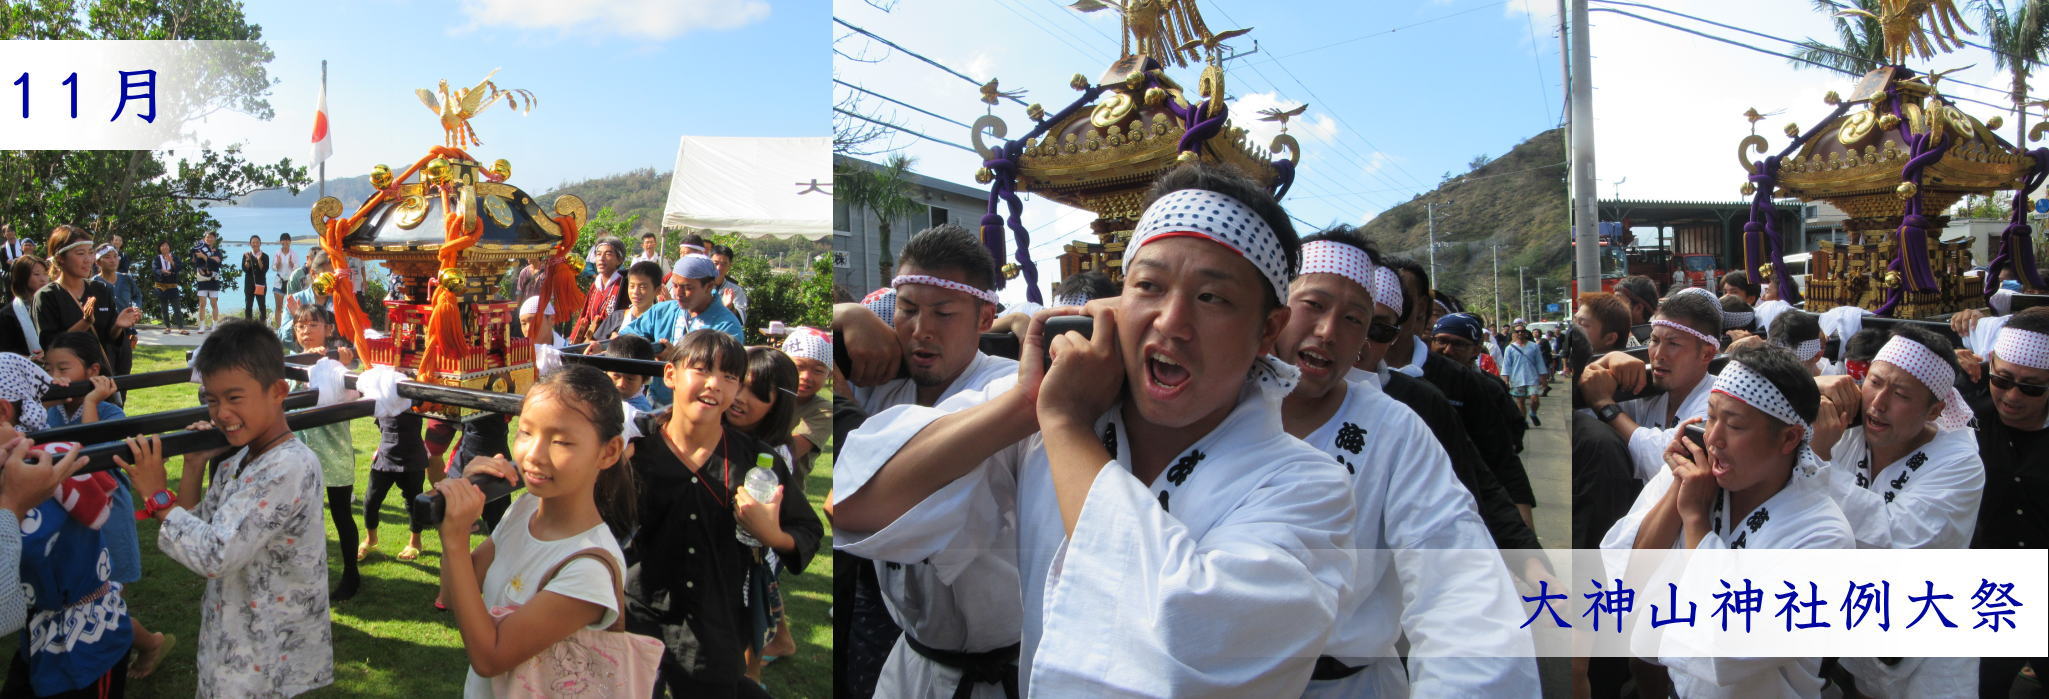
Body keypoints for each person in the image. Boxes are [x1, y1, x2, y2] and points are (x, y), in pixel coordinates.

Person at [834, 163, 1357, 695]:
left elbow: (1189, 636)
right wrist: (1027, 404)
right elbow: (858, 502)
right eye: (1149, 286)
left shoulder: (1307, 487)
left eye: (1211, 298)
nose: (1170, 321)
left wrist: (1064, 427)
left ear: (1268, 329)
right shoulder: (1049, 416)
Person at [1274, 230, 1536, 695]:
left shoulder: (1398, 427)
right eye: (1313, 304)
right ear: (1276, 307)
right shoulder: (1208, 408)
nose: (1328, 331)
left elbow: (1458, 585)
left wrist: (1523, 549)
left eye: (1358, 320)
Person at [827, 223, 1022, 698]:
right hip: (911, 661)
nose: (921, 330)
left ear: (984, 318)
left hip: (1004, 672)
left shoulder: (1007, 392)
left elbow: (859, 492)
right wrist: (848, 313)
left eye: (944, 313)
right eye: (908, 310)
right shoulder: (885, 385)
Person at [1600, 344, 1855, 697]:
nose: (1714, 438)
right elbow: (1629, 577)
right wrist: (1678, 489)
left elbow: (1730, 646)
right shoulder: (1698, 479)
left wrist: (1695, 522)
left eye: (1734, 424)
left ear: (1788, 438)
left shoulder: (1823, 535)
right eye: (1710, 416)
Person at [116, 319, 334, 696]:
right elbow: (194, 530)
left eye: (235, 398)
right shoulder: (239, 462)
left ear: (278, 391)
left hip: (267, 654)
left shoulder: (289, 467)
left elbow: (214, 555)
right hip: (233, 635)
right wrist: (194, 464)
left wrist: (157, 498)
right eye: (211, 400)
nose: (221, 413)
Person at [429, 364, 639, 698]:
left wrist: (455, 541)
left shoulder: (588, 569)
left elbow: (490, 657)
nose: (534, 455)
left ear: (609, 451)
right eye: (526, 432)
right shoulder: (524, 509)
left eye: (561, 441)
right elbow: (452, 596)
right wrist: (460, 518)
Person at [625, 331, 808, 696]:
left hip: (714, 628)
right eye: (702, 370)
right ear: (671, 375)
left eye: (729, 377)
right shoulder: (633, 447)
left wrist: (772, 535)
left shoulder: (756, 460)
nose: (715, 385)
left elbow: (806, 529)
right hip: (636, 617)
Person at [1810, 327, 1986, 697]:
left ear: (1935, 409)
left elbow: (1897, 538)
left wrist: (1820, 464)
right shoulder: (1850, 430)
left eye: (1901, 394)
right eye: (1874, 382)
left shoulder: (1959, 463)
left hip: (1924, 653)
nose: (1878, 402)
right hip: (1846, 632)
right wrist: (1809, 393)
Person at [0, 357, 135, 697]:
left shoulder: (46, 465)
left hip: (83, 647)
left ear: (3, 411)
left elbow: (99, 500)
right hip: (41, 635)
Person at [727, 345, 825, 688]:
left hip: (757, 553)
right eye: (736, 384)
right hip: (732, 552)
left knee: (752, 614)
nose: (739, 398)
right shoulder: (721, 431)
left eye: (756, 393)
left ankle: (752, 677)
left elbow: (802, 525)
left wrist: (769, 534)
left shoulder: (772, 454)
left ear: (778, 403)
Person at [1964, 307, 2049, 696]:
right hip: (1993, 595)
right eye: (2003, 380)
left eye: (2031, 387)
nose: (2012, 396)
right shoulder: (1965, 412)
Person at [1579, 289, 1723, 482]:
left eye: (1673, 343)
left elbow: (1662, 460)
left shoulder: (1718, 401)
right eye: (1654, 340)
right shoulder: (1651, 390)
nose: (1658, 354)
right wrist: (1605, 361)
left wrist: (1605, 406)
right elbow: (1588, 412)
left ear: (1706, 354)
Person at [284, 305, 365, 601]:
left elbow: (353, 393)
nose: (306, 330)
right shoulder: (289, 362)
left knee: (342, 513)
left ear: (328, 329)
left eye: (313, 324)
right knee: (303, 514)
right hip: (299, 450)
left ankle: (351, 574)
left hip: (334, 448)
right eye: (300, 325)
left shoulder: (336, 360)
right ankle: (305, 571)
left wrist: (342, 367)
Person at [35, 226, 139, 368]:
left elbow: (110, 338)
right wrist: (85, 322)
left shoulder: (101, 289)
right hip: (69, 380)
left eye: (90, 253)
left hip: (102, 375)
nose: (88, 259)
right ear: (60, 258)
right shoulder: (47, 296)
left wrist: (118, 326)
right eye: (80, 253)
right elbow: (51, 347)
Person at [361, 408, 428, 564]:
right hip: (386, 455)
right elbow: (382, 423)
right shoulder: (382, 395)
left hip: (413, 456)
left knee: (414, 502)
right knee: (370, 501)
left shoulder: (414, 396)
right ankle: (371, 539)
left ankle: (415, 542)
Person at [779, 327, 833, 488]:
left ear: (829, 374)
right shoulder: (765, 393)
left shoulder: (824, 411)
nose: (806, 377)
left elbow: (786, 453)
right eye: (799, 367)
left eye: (818, 370)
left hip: (787, 497)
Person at [92, 245, 141, 380]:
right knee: (108, 375)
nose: (112, 260)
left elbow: (137, 295)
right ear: (98, 262)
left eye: (115, 256)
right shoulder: (94, 284)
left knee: (124, 375)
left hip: (126, 334)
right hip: (104, 337)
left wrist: (137, 308)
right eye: (107, 257)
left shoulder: (126, 279)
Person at [569, 237, 627, 344]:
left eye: (608, 254)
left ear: (620, 260)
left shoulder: (624, 285)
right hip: (591, 342)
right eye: (598, 254)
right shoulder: (595, 286)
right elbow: (585, 316)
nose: (601, 258)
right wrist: (573, 342)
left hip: (610, 345)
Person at [599, 261, 662, 344]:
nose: (635, 292)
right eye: (632, 286)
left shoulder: (661, 322)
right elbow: (592, 346)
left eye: (642, 287)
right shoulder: (617, 317)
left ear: (657, 290)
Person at [1, 257, 48, 358]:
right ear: (22, 277)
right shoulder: (8, 315)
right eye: (36, 274)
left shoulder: (53, 306)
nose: (43, 279)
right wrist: (32, 359)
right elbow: (5, 352)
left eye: (45, 273)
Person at [1502, 327, 1546, 426]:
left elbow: (1540, 363)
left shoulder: (1534, 346)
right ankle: (1523, 421)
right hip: (1517, 379)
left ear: (1526, 333)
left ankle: (1533, 413)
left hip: (1532, 378)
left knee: (1535, 399)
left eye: (1522, 331)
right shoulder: (1510, 348)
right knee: (1520, 401)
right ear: (1514, 334)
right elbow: (1506, 365)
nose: (1520, 333)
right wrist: (1506, 380)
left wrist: (1543, 378)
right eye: (1518, 331)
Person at [601, 333, 657, 410]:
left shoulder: (641, 413)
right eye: (616, 376)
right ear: (606, 372)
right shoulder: (597, 398)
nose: (621, 384)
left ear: (645, 380)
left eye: (630, 379)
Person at [190, 231, 224, 333]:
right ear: (204, 238)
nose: (209, 239)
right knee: (202, 303)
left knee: (214, 303)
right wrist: (208, 259)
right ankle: (202, 326)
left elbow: (217, 262)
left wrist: (204, 257)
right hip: (202, 279)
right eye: (208, 237)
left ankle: (214, 326)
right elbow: (195, 261)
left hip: (214, 280)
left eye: (212, 237)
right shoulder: (199, 249)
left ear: (214, 239)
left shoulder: (217, 251)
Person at [711, 244, 750, 325]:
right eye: (716, 263)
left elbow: (742, 321)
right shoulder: (700, 285)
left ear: (730, 265)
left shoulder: (736, 290)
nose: (719, 268)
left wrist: (731, 307)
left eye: (724, 264)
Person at [150, 241, 183, 335]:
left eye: (167, 246)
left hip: (172, 286)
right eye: (162, 246)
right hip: (161, 287)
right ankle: (167, 327)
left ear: (169, 247)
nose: (165, 247)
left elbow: (180, 267)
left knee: (177, 308)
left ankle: (181, 328)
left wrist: (171, 261)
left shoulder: (175, 257)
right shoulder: (157, 258)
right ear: (160, 248)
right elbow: (154, 269)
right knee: (164, 308)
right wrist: (162, 271)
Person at [242, 235, 270, 322]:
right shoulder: (246, 255)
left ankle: (262, 325)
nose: (255, 244)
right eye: (253, 242)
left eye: (257, 242)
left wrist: (259, 261)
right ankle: (248, 326)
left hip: (260, 284)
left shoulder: (265, 256)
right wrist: (247, 260)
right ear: (250, 244)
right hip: (249, 284)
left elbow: (264, 270)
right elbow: (245, 269)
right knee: (248, 305)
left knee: (262, 305)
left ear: (260, 243)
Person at [272, 234, 295, 327]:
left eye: (287, 240)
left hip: (290, 283)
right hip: (279, 282)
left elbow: (297, 268)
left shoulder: (293, 253)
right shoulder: (277, 253)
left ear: (290, 241)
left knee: (291, 307)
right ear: (280, 242)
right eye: (283, 240)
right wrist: (277, 264)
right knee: (278, 307)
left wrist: (291, 264)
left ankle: (290, 328)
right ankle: (280, 328)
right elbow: (273, 268)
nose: (285, 242)